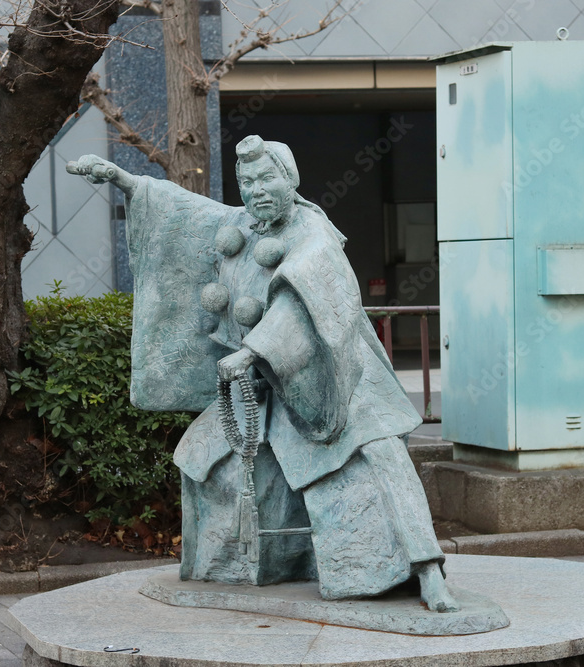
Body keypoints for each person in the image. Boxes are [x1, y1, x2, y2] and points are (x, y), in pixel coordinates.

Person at [70, 136, 457, 612]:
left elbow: (303, 301)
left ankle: (427, 570)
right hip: (261, 385)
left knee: (379, 457)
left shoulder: (313, 232)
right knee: (206, 462)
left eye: (267, 178)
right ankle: (255, 565)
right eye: (247, 181)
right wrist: (124, 180)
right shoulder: (239, 225)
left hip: (336, 383)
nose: (257, 190)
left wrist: (253, 351)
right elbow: (187, 212)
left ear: (290, 179)